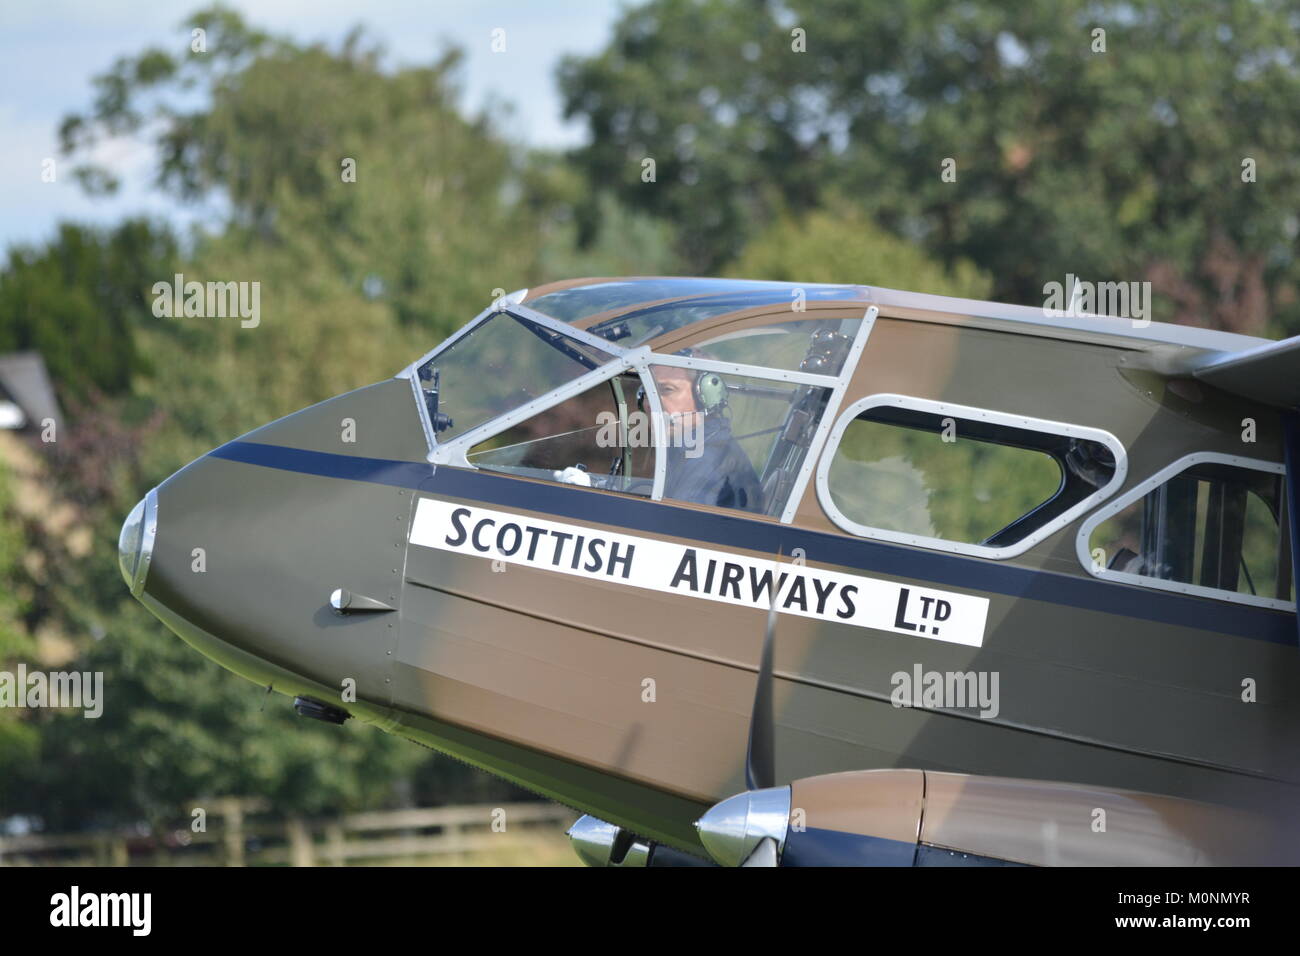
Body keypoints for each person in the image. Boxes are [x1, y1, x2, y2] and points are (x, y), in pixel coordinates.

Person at [651, 364, 763, 513]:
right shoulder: (689, 447)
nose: (649, 403)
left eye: (667, 390)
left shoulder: (706, 459)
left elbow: (675, 523)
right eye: (647, 392)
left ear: (705, 398)